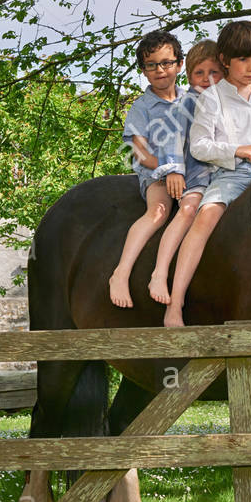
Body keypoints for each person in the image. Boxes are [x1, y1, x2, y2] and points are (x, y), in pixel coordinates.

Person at [163, 20, 251, 327]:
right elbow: (200, 146)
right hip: (234, 173)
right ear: (225, 60)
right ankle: (176, 303)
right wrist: (237, 149)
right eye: (243, 59)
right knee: (204, 217)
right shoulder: (212, 97)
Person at [109, 30, 190, 308]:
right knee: (159, 211)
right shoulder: (141, 107)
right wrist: (168, 169)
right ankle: (121, 273)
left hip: (193, 173)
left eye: (166, 62)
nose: (160, 70)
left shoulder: (191, 101)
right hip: (156, 174)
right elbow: (138, 151)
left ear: (180, 64)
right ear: (143, 71)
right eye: (151, 65)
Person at [148, 40, 223, 304]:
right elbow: (171, 138)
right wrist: (174, 170)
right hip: (196, 172)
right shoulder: (188, 103)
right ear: (189, 75)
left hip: (221, 174)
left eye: (214, 73)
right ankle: (159, 271)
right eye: (199, 73)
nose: (207, 79)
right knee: (189, 209)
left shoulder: (225, 101)